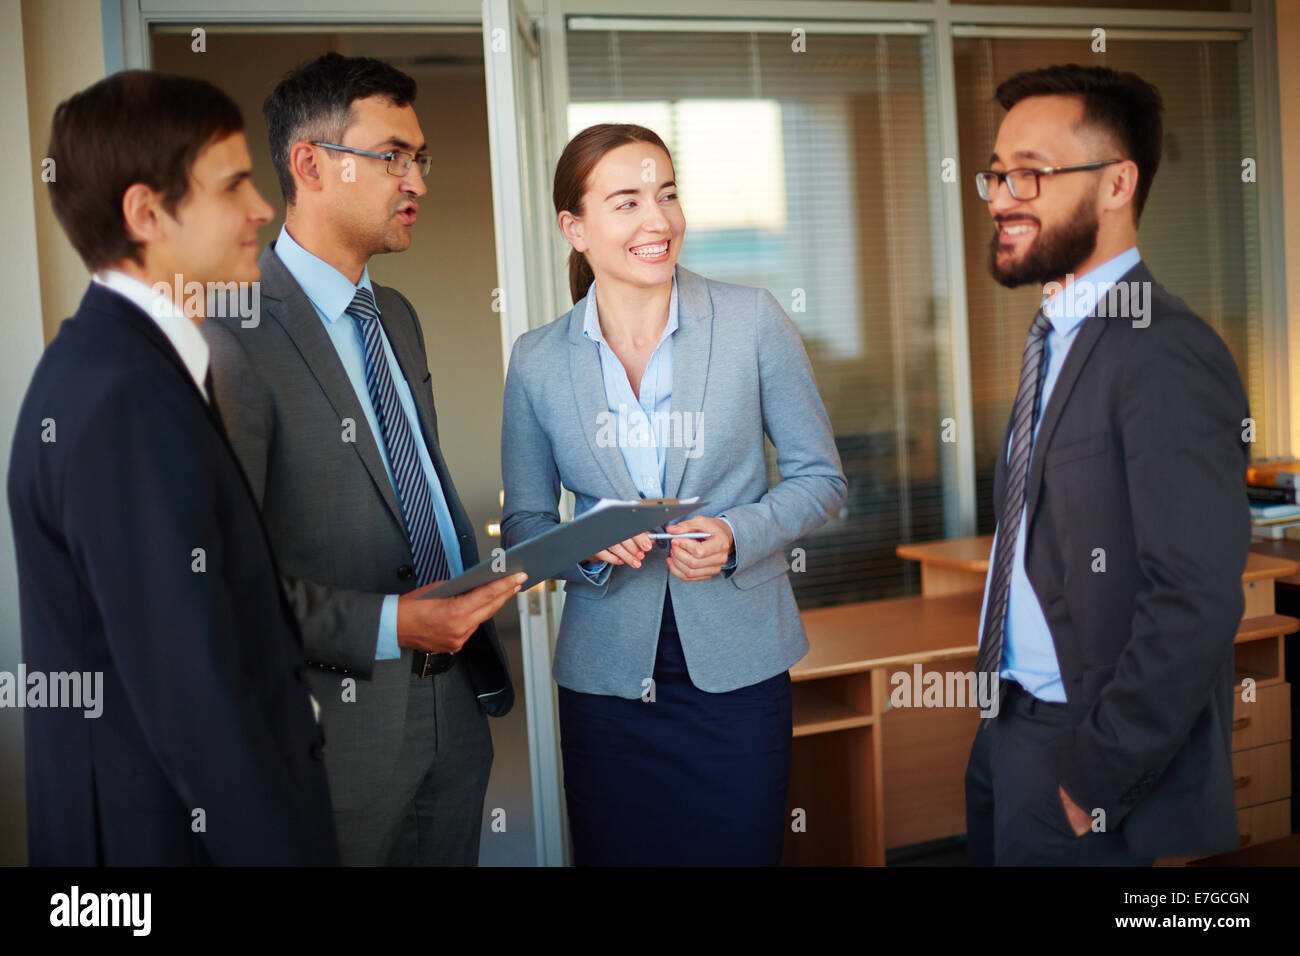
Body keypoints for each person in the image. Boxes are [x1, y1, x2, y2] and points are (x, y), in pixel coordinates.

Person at [7, 71, 337, 865]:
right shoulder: (123, 396)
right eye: (233, 186)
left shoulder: (129, 370)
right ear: (146, 213)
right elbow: (193, 693)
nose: (262, 208)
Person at [202, 52, 523, 866]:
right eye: (393, 157)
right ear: (310, 164)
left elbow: (406, 480)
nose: (416, 180)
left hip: (453, 706)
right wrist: (395, 622)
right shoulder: (227, 334)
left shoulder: (398, 317)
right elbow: (222, 582)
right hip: (332, 731)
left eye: (421, 158)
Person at [501, 124, 846, 866]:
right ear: (576, 227)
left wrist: (736, 534)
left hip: (737, 672)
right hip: (605, 684)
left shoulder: (752, 321)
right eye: (626, 202)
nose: (657, 221)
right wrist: (587, 542)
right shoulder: (536, 360)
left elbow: (823, 480)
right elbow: (525, 522)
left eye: (667, 195)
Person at [963, 64, 1251, 866]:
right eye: (996, 173)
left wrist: (1096, 777)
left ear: (1118, 182)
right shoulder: (1055, 337)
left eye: (1031, 172)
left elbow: (1192, 599)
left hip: (1090, 763)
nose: (999, 195)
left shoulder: (1164, 349)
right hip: (1009, 730)